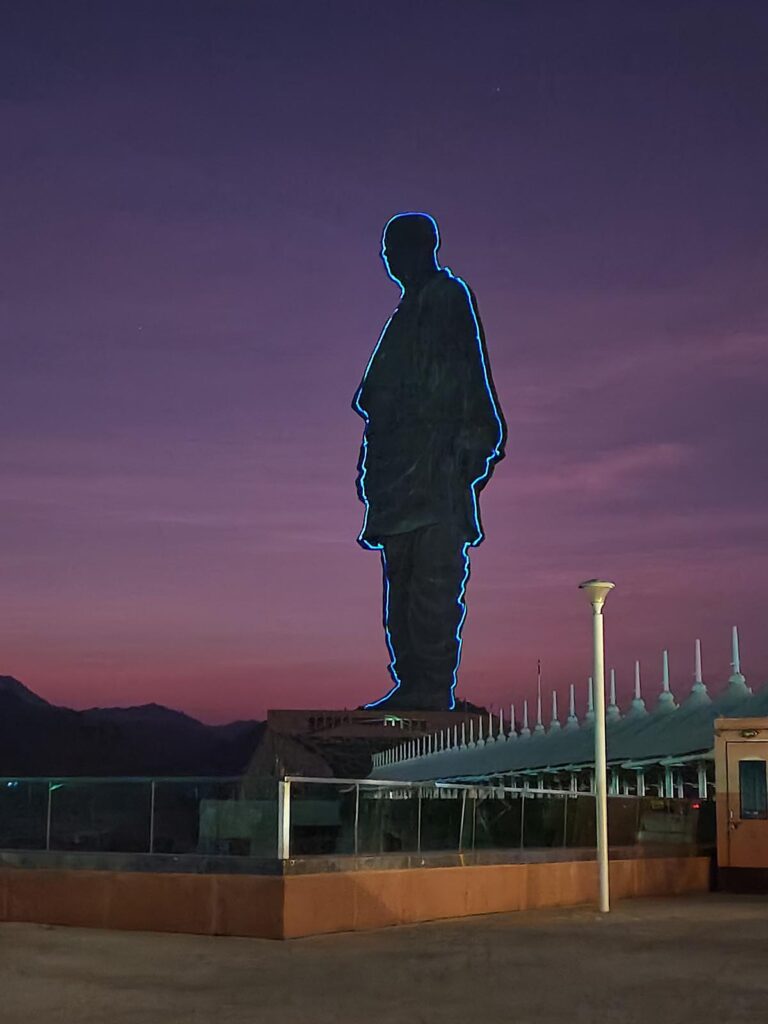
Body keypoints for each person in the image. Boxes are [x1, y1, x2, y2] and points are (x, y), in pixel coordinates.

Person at [353, 212, 506, 711]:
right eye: (385, 251)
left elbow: (464, 375)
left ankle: (431, 687)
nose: (387, 259)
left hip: (435, 468)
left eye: (393, 249)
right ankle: (410, 684)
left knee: (434, 584)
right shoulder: (404, 314)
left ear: (421, 248)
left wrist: (469, 443)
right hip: (398, 474)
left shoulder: (446, 298)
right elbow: (376, 396)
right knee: (400, 586)